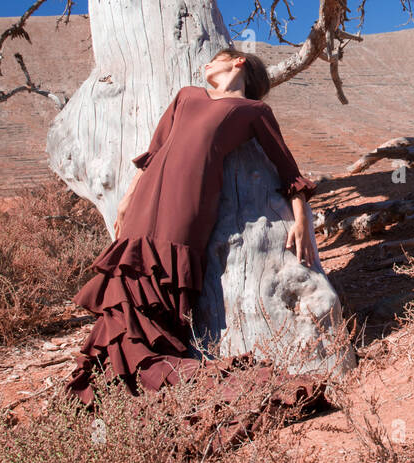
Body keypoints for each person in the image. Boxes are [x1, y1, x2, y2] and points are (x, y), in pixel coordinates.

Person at [65, 47, 326, 412]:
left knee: (159, 283)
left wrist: (301, 215)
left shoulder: (253, 111)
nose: (206, 65)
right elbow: (154, 152)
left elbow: (287, 168)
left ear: (238, 62)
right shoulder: (187, 95)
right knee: (127, 283)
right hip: (146, 199)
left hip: (190, 201)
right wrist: (126, 199)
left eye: (215, 58)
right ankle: (121, 376)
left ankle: (158, 371)